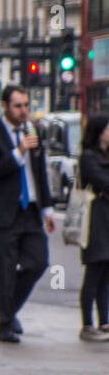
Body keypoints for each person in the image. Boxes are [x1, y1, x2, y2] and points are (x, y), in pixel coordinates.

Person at [0, 84, 56, 343]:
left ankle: (8, 310)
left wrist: (48, 208)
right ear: (5, 107)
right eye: (18, 106)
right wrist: (18, 151)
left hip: (31, 211)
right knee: (6, 269)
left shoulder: (33, 132)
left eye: (26, 105)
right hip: (4, 213)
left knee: (38, 261)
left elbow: (40, 172)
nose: (24, 111)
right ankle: (6, 323)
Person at [76, 113, 109, 341]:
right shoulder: (88, 157)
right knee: (94, 269)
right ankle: (87, 324)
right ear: (99, 133)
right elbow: (102, 182)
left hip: (106, 216)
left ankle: (104, 321)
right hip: (95, 217)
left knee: (106, 271)